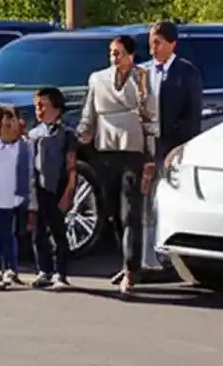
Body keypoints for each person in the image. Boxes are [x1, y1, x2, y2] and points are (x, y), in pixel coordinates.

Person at [77, 34, 156, 296]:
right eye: (112, 52)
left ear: (131, 55)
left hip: (133, 150)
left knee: (130, 211)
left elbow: (151, 117)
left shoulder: (141, 77)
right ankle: (126, 261)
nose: (115, 57)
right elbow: (89, 113)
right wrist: (82, 134)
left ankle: (133, 270)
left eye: (120, 52)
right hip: (106, 149)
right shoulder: (97, 78)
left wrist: (151, 156)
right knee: (112, 209)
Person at [141, 21, 204, 273]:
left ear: (171, 44)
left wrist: (177, 148)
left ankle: (167, 255)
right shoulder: (143, 72)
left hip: (172, 147)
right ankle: (143, 257)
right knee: (145, 203)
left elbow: (192, 115)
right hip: (147, 146)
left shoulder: (186, 73)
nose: (153, 48)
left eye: (158, 43)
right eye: (151, 43)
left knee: (166, 199)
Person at [0, 103, 35, 291]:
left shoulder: (25, 147)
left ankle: (12, 268)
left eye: (12, 118)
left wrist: (32, 201)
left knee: (14, 235)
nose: (8, 123)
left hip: (18, 198)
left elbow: (30, 174)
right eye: (4, 120)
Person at [26, 86, 77, 291]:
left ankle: (61, 273)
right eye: (36, 106)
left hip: (57, 188)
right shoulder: (33, 134)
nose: (38, 110)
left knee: (58, 232)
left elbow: (71, 166)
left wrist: (68, 193)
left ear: (56, 108)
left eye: (43, 105)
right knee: (38, 232)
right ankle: (43, 270)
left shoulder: (66, 134)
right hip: (39, 189)